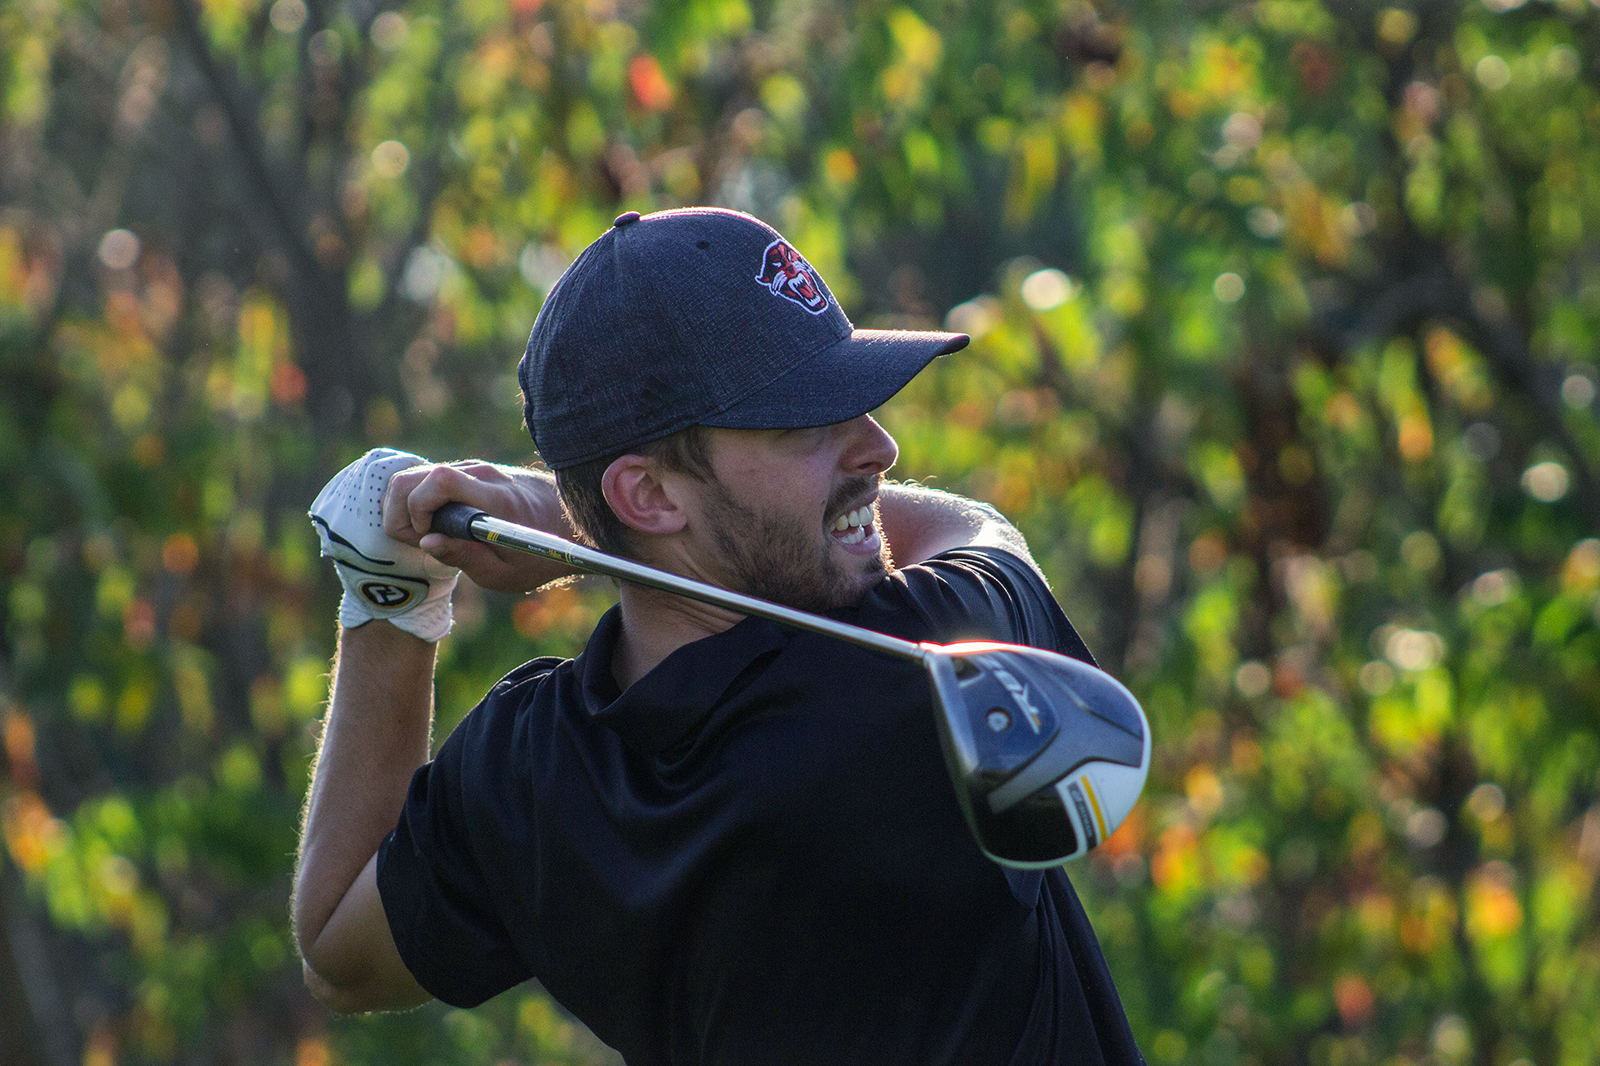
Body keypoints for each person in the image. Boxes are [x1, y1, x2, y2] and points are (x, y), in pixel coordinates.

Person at [292, 207, 1146, 1065]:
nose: (879, 447)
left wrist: (392, 598)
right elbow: (975, 527)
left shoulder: (537, 774)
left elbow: (339, 952)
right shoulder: (908, 680)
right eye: (806, 425)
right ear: (652, 497)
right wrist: (560, 511)